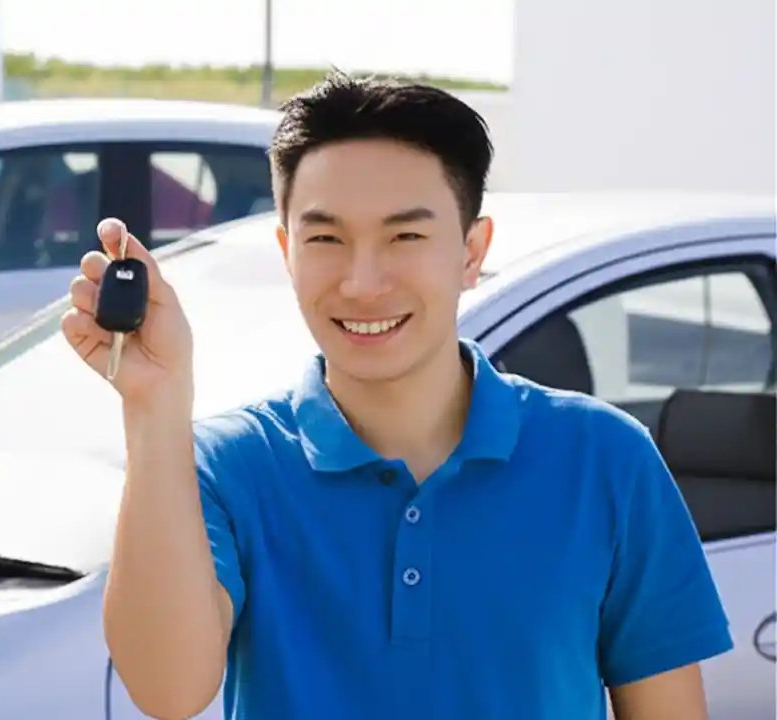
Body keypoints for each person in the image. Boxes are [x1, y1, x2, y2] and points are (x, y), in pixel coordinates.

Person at [61, 70, 733, 720]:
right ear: (285, 250)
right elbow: (167, 694)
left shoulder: (606, 460)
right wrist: (152, 406)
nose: (362, 282)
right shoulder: (224, 465)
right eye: (325, 238)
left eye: (405, 235)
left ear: (472, 251)